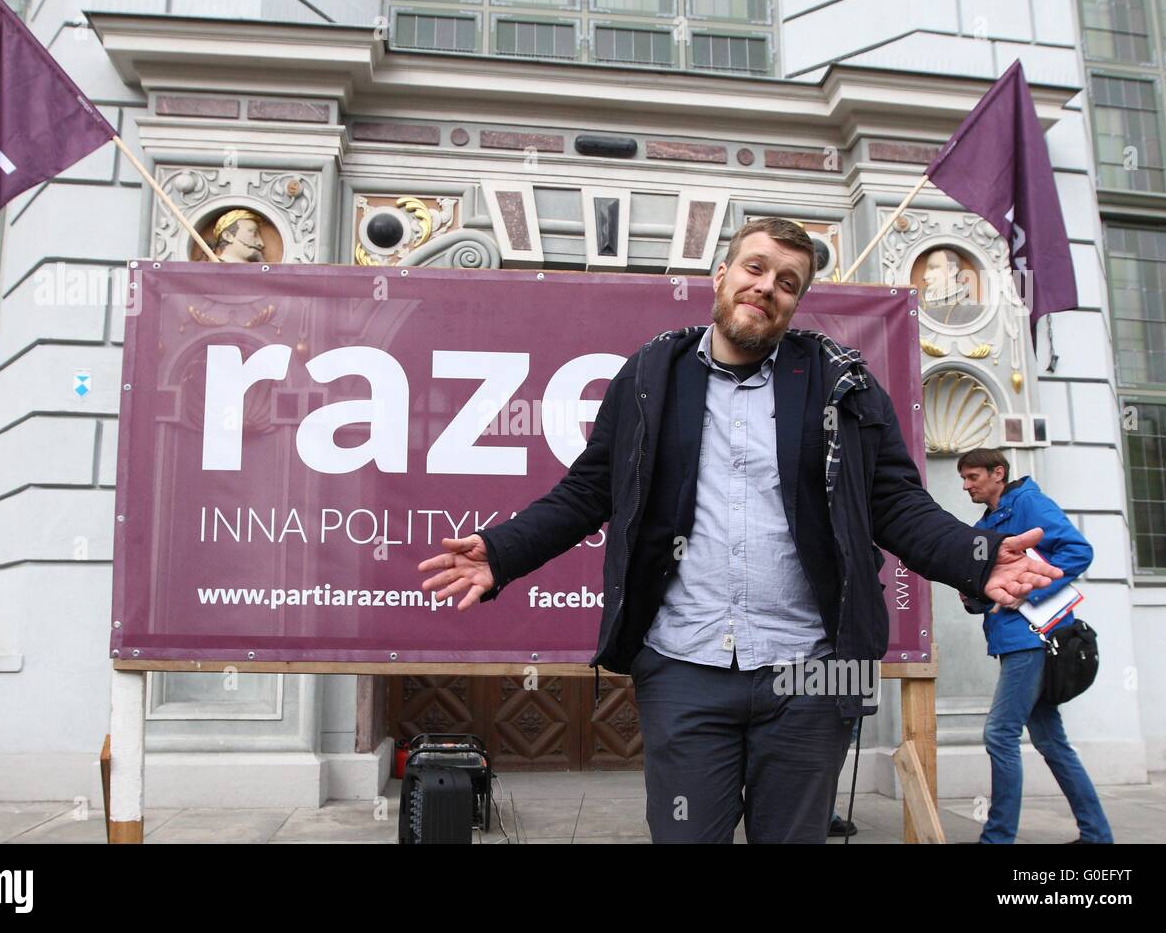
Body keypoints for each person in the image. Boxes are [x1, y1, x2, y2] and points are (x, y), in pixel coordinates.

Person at [418, 217, 1062, 843]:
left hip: (812, 673)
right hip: (682, 665)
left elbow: (894, 504)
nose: (767, 287)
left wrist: (977, 558)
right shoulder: (651, 376)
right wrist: (502, 553)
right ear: (722, 275)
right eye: (755, 269)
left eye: (787, 281)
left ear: (796, 303)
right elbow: (589, 491)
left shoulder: (844, 384)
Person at [957, 448, 1113, 844]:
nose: (966, 485)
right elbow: (992, 589)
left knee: (1000, 733)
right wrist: (974, 595)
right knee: (1051, 742)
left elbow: (1079, 552)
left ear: (998, 473)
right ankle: (1097, 836)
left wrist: (1029, 595)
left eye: (973, 477)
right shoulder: (986, 522)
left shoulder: (1027, 502)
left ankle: (997, 839)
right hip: (1016, 637)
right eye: (964, 478)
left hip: (1033, 638)